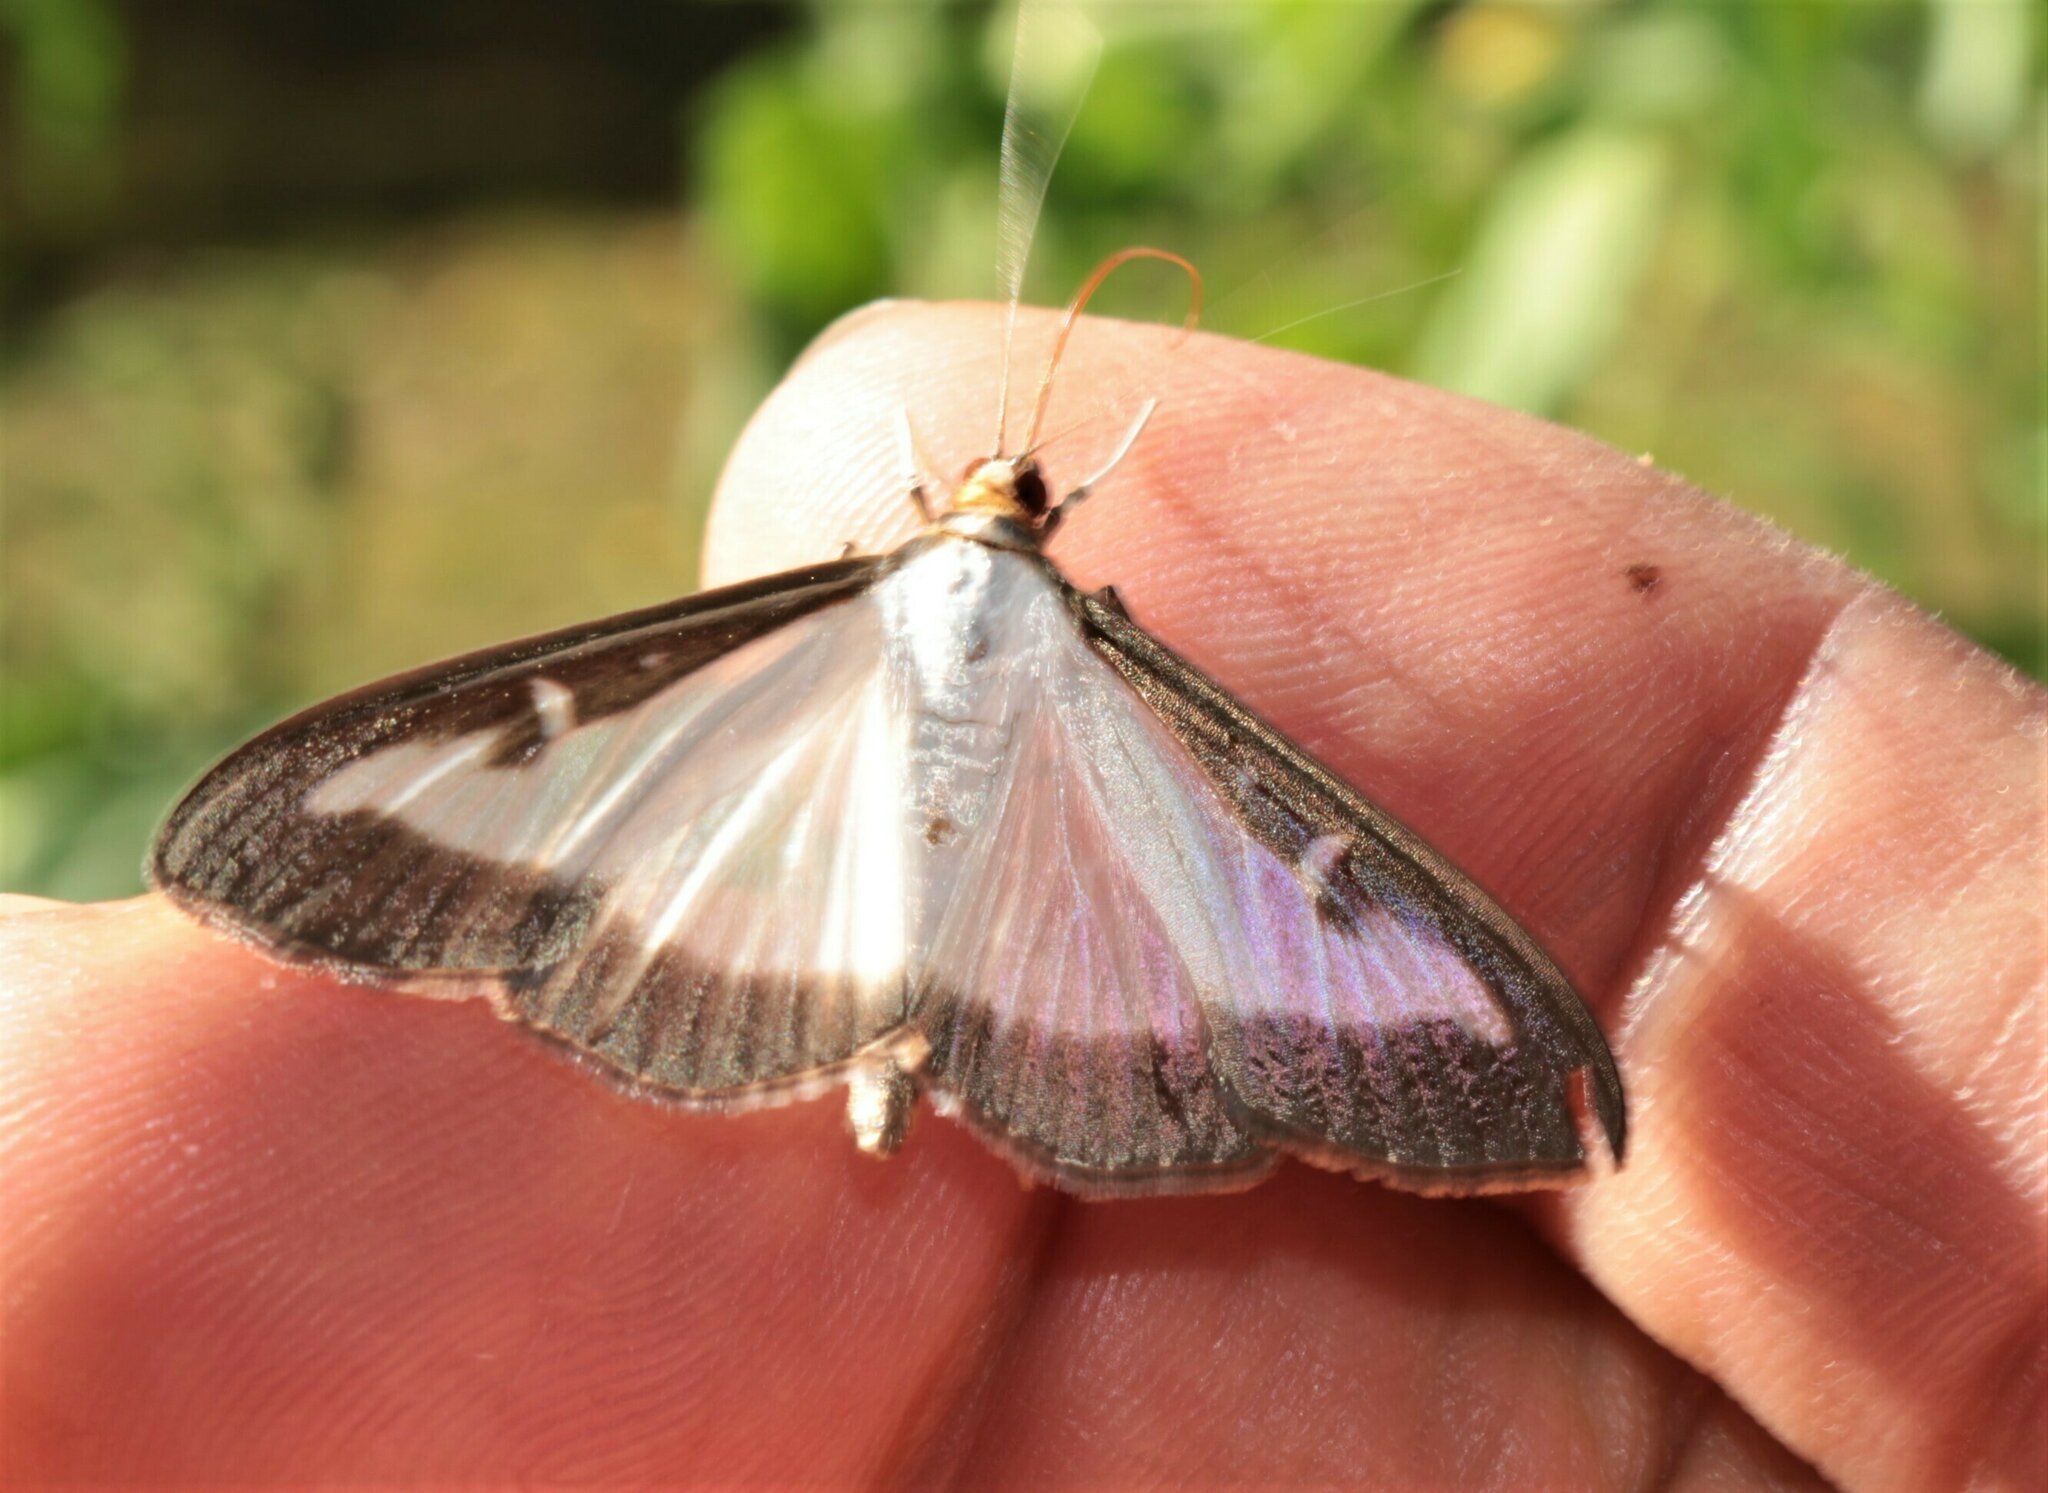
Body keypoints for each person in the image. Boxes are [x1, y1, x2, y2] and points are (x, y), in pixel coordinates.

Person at [3, 302, 2039, 1488]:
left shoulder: (865, 606)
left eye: (1003, 498)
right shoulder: (1099, 638)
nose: (996, 506)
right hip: (1021, 888)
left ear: (963, 519)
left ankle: (894, 1025)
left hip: (800, 902)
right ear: (1042, 529)